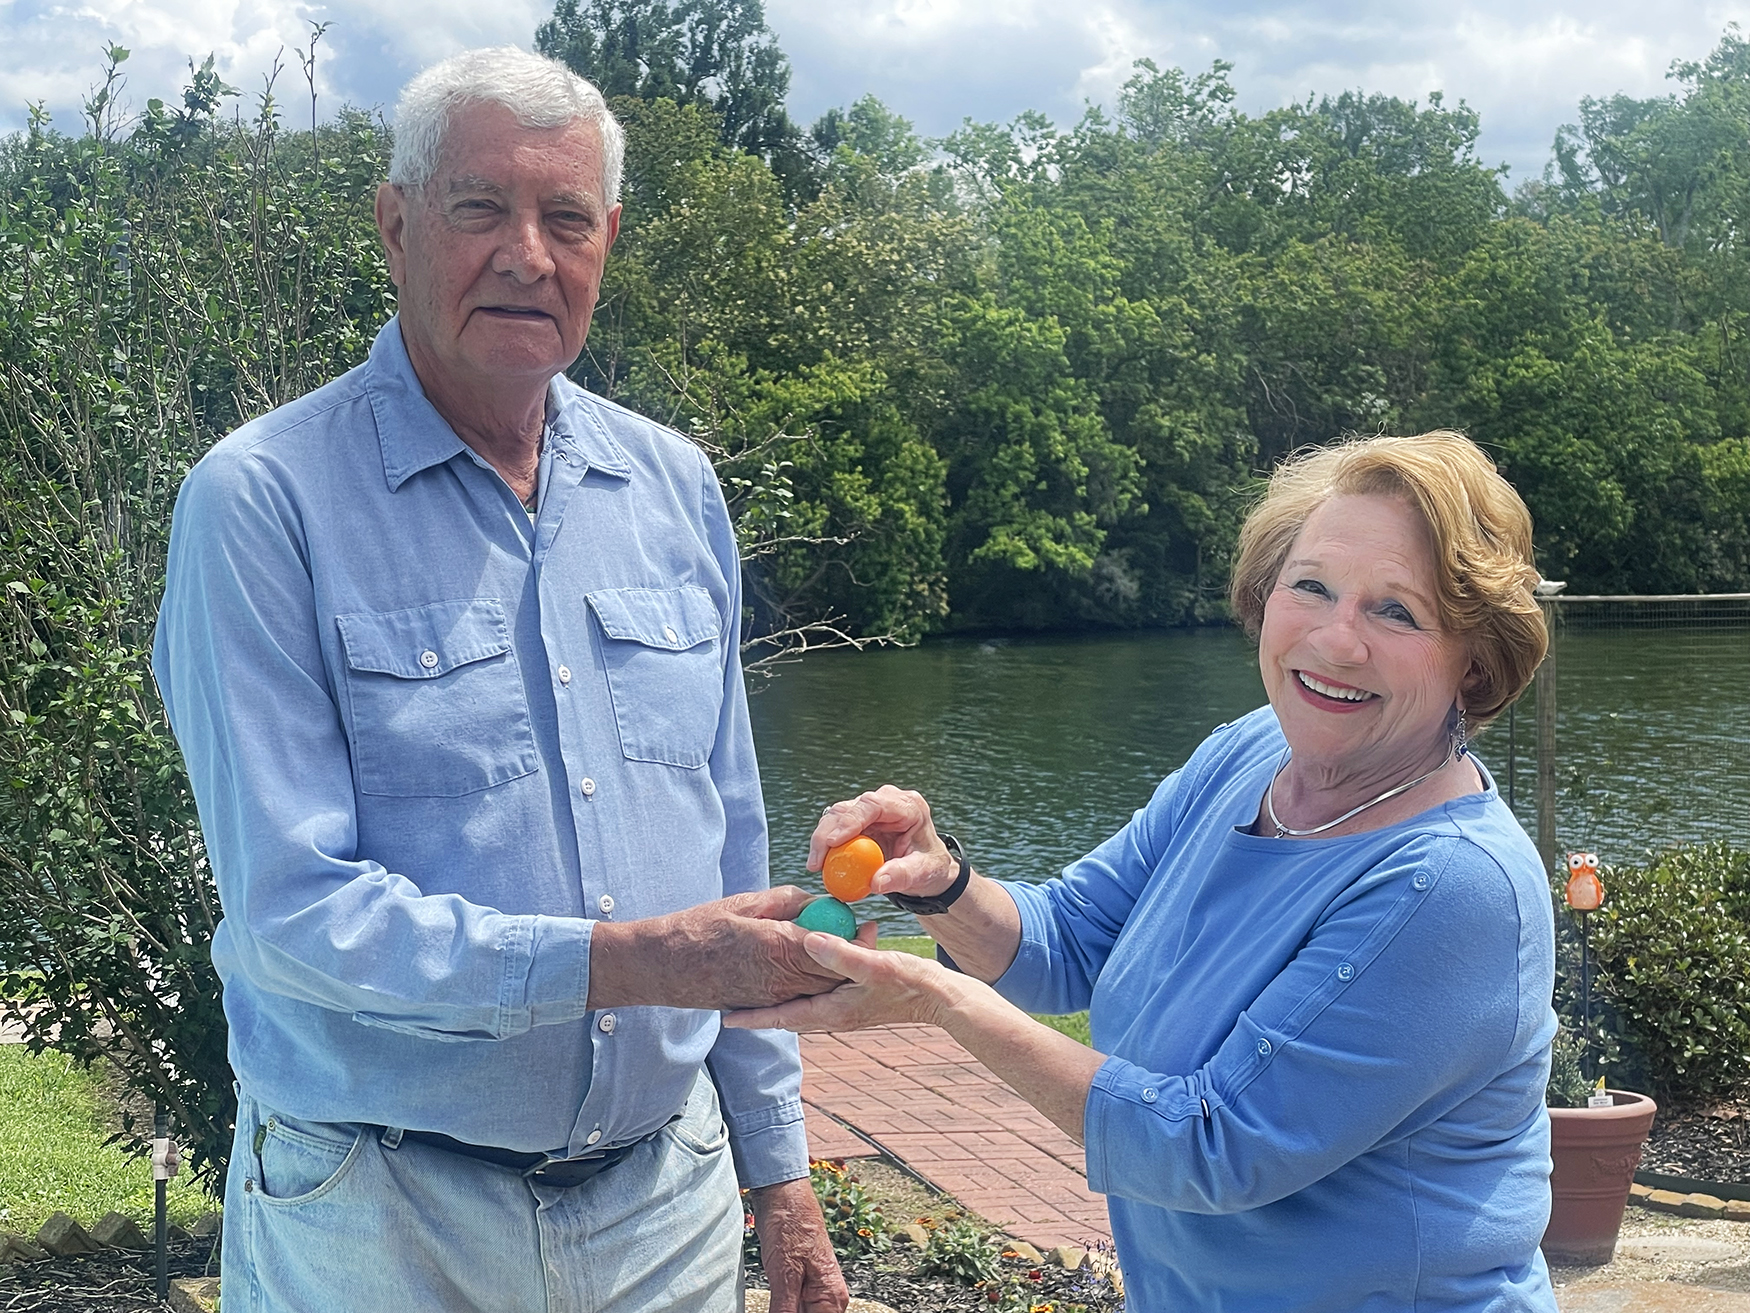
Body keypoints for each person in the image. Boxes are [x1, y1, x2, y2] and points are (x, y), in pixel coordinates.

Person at [153, 46, 849, 1313]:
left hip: (665, 1205)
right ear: (396, 222)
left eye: (566, 217)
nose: (527, 253)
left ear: (607, 242)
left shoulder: (676, 487)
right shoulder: (262, 501)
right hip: (380, 1218)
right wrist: (628, 960)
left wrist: (777, 1168)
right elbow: (292, 910)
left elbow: (731, 851)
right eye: (481, 207)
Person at [730, 430, 1558, 1312]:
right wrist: (938, 883)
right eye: (1311, 586)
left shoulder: (1452, 884)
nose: (1336, 638)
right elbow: (1071, 940)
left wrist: (938, 1002)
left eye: (1397, 611)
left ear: (1475, 657)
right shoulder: (1248, 753)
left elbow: (1210, 1143)